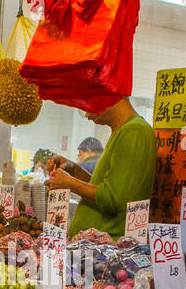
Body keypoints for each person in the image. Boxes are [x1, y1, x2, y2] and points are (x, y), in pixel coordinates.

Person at [48, 98, 155, 239]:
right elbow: (102, 187)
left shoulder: (134, 131)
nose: (87, 115)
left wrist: (69, 183)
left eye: (87, 101)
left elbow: (112, 198)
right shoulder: (123, 131)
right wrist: (73, 170)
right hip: (94, 248)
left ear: (107, 92)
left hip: (107, 251)